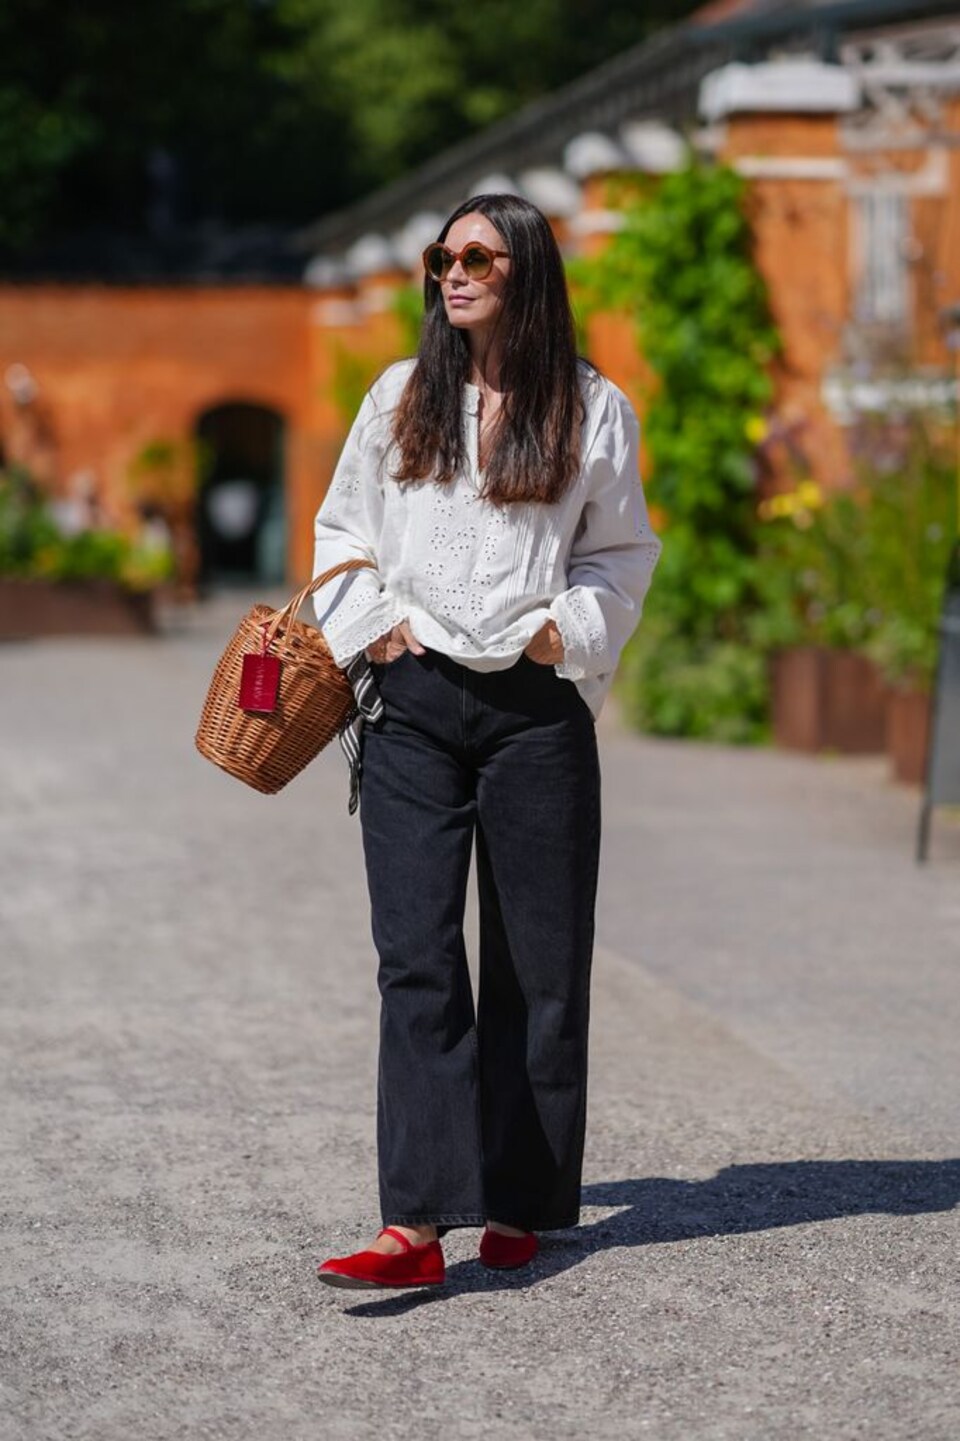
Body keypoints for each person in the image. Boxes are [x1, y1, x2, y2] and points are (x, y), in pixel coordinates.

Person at [311, 193, 661, 1289]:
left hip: (536, 712)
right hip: (410, 705)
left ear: (528, 275)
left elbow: (621, 552)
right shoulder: (400, 398)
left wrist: (569, 630)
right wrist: (380, 631)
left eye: (478, 258)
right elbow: (342, 535)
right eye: (442, 258)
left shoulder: (594, 408)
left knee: (539, 965)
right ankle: (413, 1224)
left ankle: (520, 1198)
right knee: (415, 956)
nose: (451, 275)